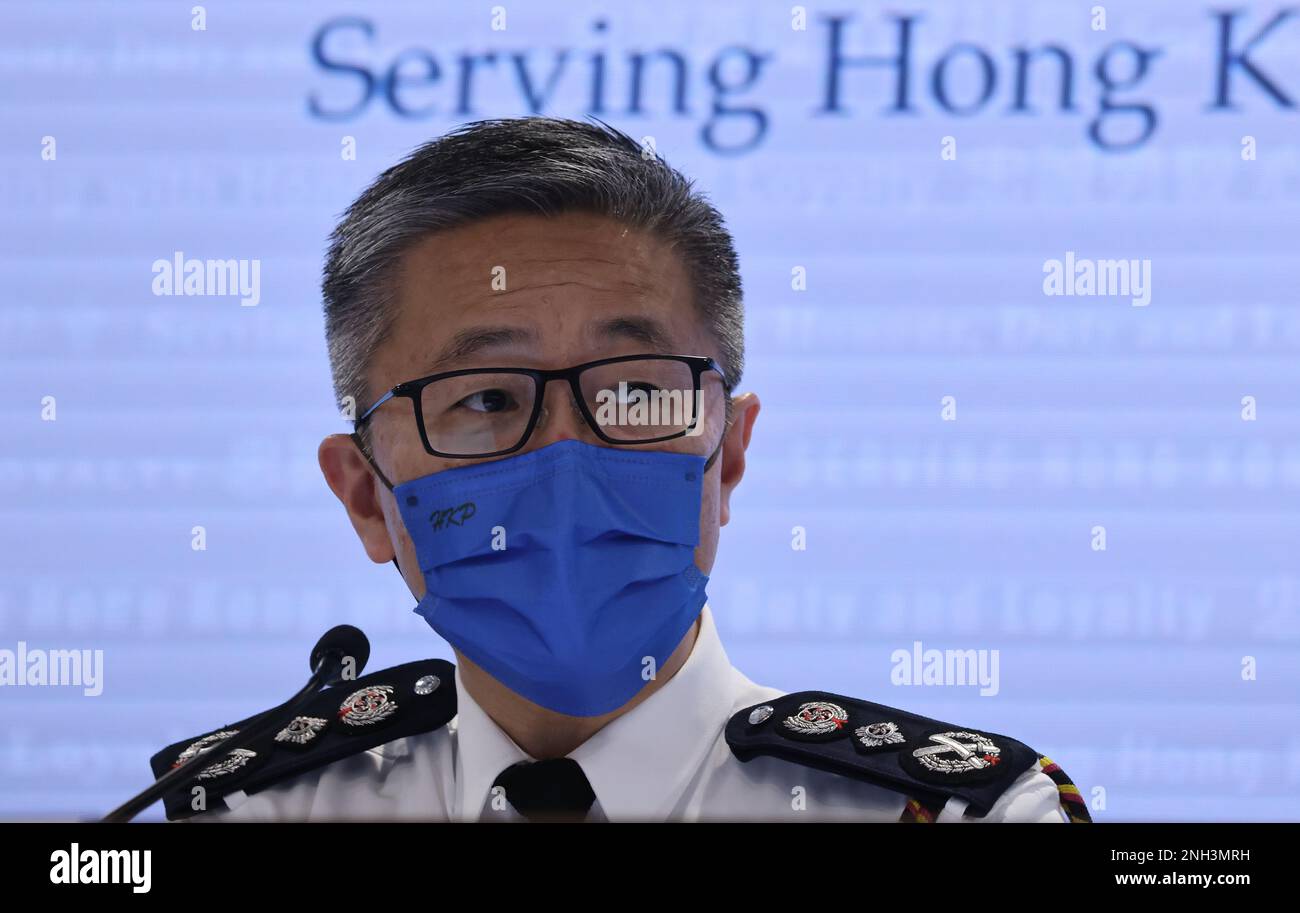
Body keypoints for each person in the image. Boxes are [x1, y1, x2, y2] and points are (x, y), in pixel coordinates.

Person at [148, 116, 1089, 824]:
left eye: (635, 392)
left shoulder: (955, 814)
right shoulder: (244, 808)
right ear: (364, 495)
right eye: (486, 399)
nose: (569, 456)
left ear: (728, 458)